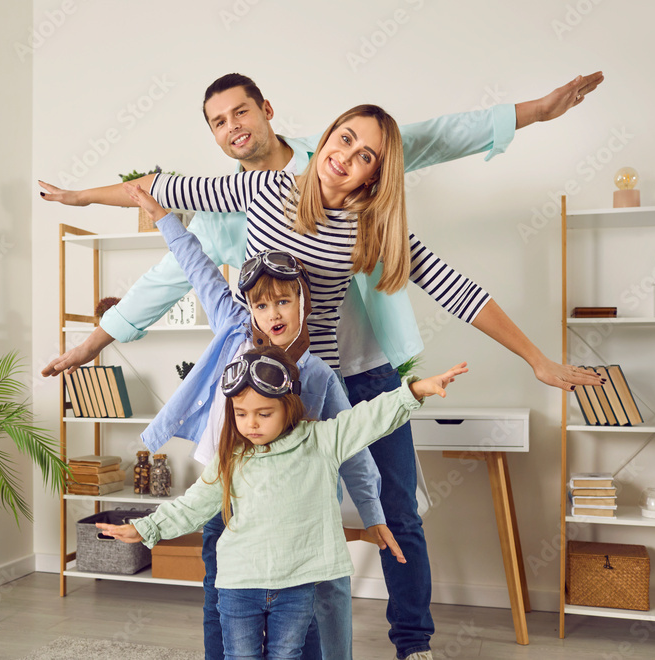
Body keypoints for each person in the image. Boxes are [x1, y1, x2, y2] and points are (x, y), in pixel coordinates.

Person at [40, 94, 605, 660]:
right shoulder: (262, 189)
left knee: (371, 518)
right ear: (327, 136)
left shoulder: (370, 228)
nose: (347, 157)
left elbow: (457, 288)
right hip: (263, 381)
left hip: (324, 381)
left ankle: (410, 645)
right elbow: (164, 195)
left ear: (375, 173)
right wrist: (78, 197)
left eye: (366, 156)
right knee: (229, 517)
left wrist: (536, 358)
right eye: (345, 140)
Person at [124, 180, 401, 660]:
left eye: (283, 301)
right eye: (261, 304)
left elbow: (352, 450)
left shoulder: (318, 376)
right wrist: (164, 218)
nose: (272, 314)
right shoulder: (233, 329)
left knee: (310, 608)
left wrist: (373, 517)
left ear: (303, 302)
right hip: (226, 493)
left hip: (297, 511)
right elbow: (198, 267)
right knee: (221, 595)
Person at [96, 346, 468, 660]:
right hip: (239, 586)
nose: (251, 424)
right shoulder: (231, 458)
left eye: (264, 414)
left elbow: (368, 419)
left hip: (297, 587)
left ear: (288, 406)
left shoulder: (321, 441)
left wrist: (413, 392)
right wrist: (145, 527)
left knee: (287, 655)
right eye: (241, 414)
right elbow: (191, 505)